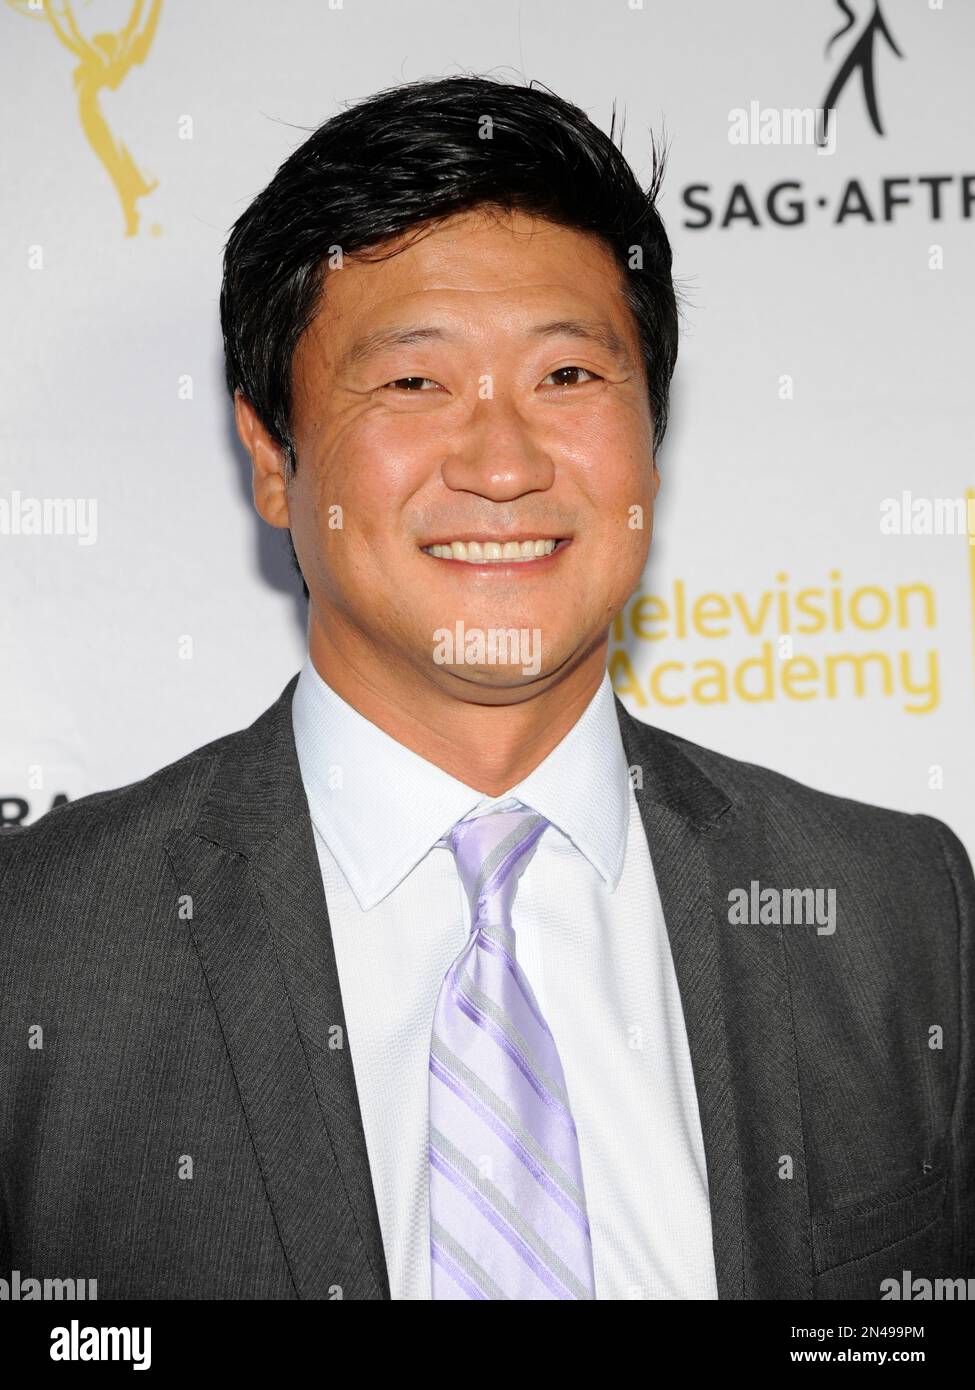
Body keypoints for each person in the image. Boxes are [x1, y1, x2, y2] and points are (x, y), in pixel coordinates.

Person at [1, 74, 972, 1302]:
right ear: (269, 457)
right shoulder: (37, 952)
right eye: (414, 384)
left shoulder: (896, 915)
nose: (505, 461)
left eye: (568, 378)